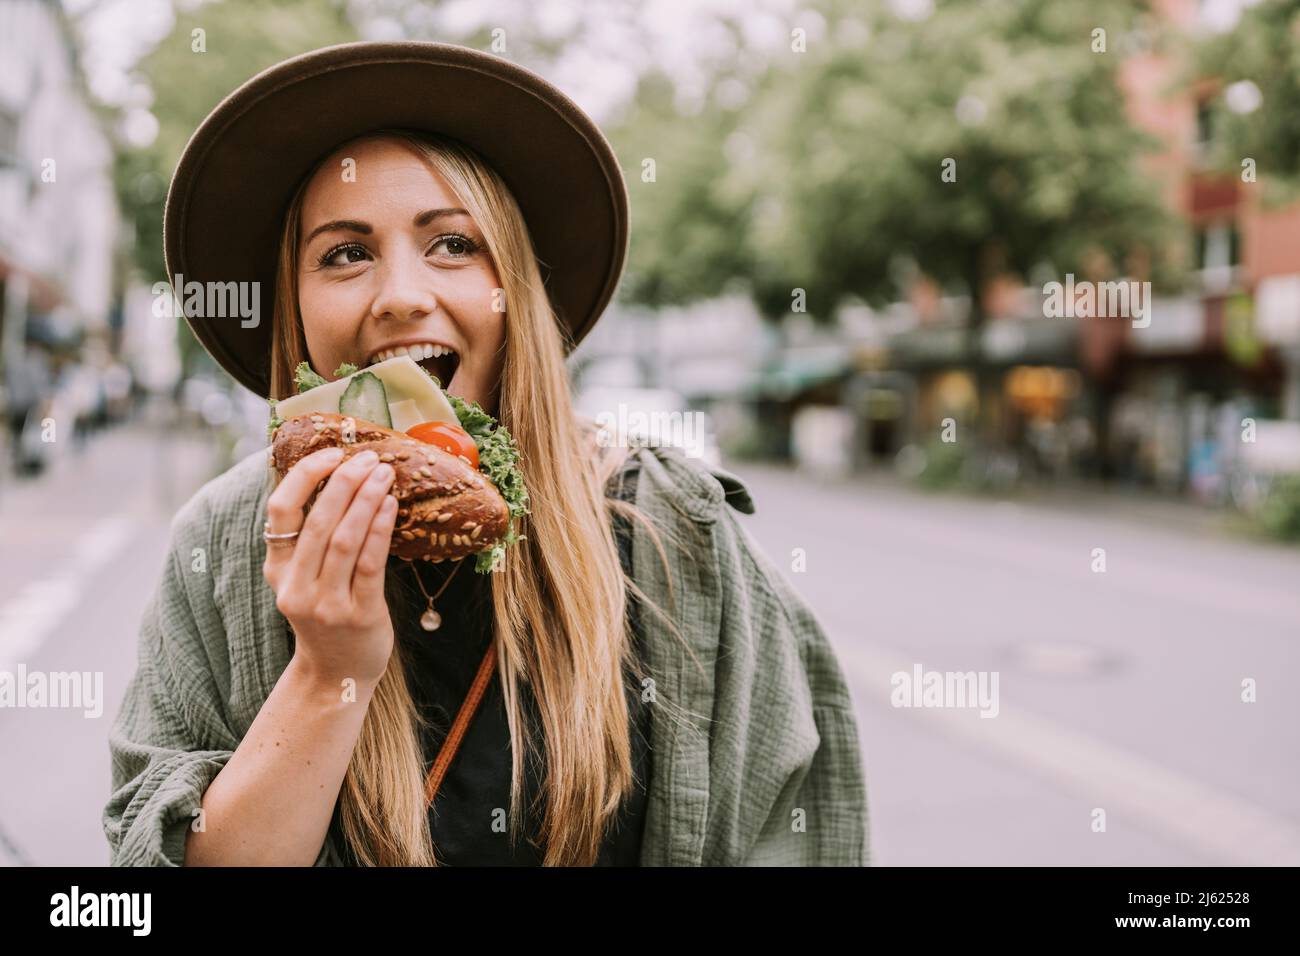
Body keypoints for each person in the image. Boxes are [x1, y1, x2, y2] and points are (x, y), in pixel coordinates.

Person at [104, 40, 869, 867]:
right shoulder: (217, 547)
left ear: (517, 299)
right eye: (345, 253)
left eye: (454, 245)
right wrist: (328, 675)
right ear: (296, 307)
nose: (400, 295)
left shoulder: (676, 533)